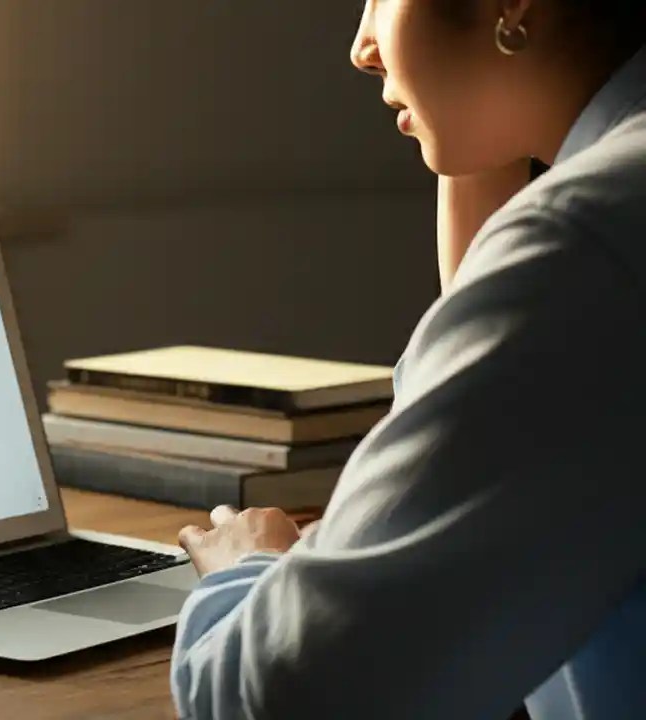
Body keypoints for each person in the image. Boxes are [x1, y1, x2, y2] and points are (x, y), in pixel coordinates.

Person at [170, 1, 646, 718]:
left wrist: (253, 570)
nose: (362, 47)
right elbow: (505, 419)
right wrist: (484, 126)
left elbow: (275, 698)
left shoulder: (583, 250)